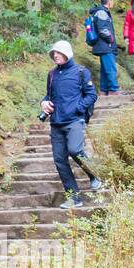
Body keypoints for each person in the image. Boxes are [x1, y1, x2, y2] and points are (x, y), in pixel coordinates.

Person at [39, 40, 102, 207]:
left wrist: (77, 109)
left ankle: (94, 175)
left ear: (67, 53)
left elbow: (91, 95)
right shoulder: (52, 74)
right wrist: (44, 104)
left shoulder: (81, 72)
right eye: (53, 53)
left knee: (75, 149)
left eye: (58, 53)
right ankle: (74, 197)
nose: (55, 56)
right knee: (59, 160)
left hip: (75, 120)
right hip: (56, 123)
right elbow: (48, 96)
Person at [87, 0, 121, 96]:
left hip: (102, 46)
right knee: (110, 68)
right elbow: (102, 29)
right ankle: (113, 89)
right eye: (113, 1)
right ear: (109, 2)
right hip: (105, 46)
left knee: (105, 69)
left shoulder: (100, 12)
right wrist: (110, 39)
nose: (113, 3)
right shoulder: (102, 13)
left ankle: (104, 90)